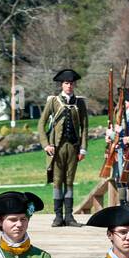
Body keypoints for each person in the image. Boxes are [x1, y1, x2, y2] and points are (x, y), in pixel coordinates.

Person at [38, 69, 88, 228]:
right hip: (57, 149)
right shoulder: (53, 101)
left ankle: (69, 216)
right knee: (58, 182)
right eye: (66, 83)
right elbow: (41, 124)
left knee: (70, 181)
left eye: (72, 83)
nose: (69, 86)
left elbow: (85, 127)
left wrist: (83, 148)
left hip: (73, 147)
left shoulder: (79, 103)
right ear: (62, 85)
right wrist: (46, 144)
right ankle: (58, 216)